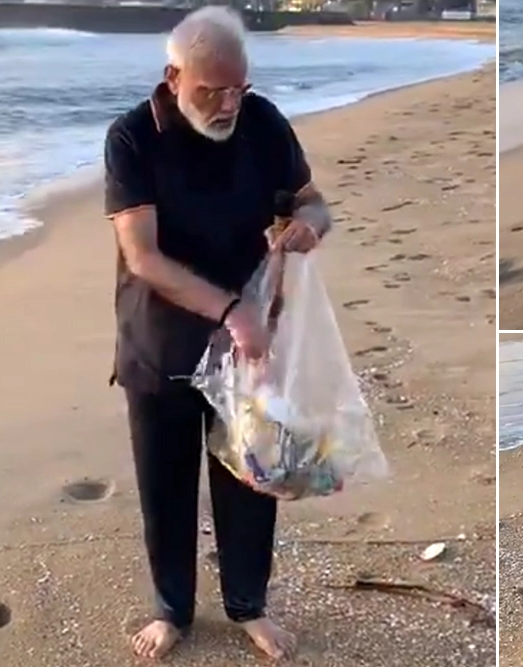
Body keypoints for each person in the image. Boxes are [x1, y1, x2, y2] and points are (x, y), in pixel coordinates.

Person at [102, 6, 332, 660]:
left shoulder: (262, 122)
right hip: (161, 341)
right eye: (213, 90)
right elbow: (142, 255)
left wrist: (310, 224)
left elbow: (312, 199)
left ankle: (248, 604)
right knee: (166, 482)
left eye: (240, 88)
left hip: (249, 343)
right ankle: (172, 608)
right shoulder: (131, 139)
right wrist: (231, 308)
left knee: (251, 478)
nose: (229, 103)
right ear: (173, 76)